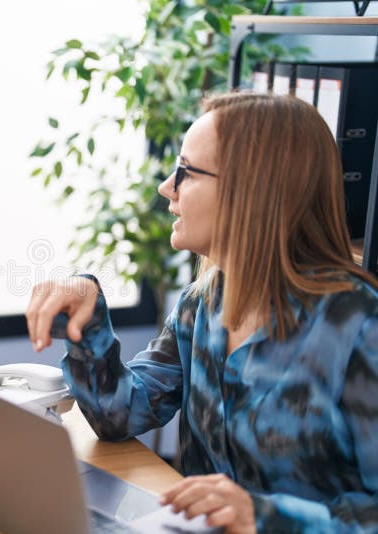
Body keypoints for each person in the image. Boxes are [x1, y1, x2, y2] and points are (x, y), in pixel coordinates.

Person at [26, 93, 378, 532]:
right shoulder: (202, 303)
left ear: (252, 191)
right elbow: (120, 415)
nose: (166, 187)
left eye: (186, 172)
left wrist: (265, 518)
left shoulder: (359, 325)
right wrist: (88, 318)